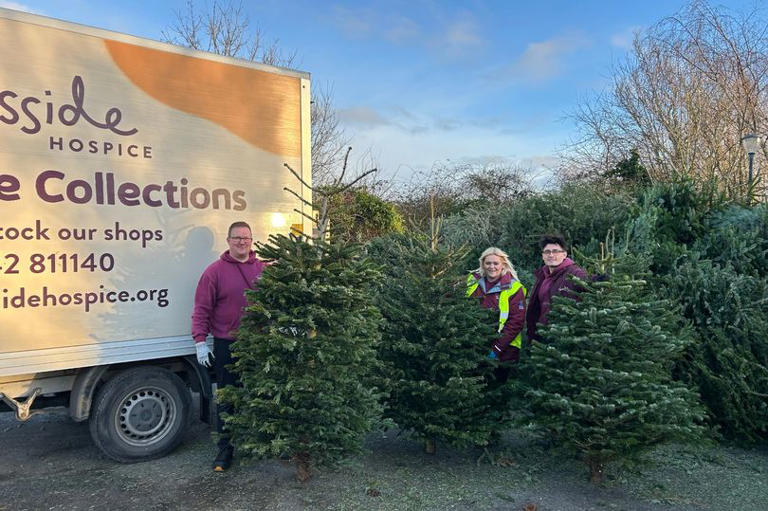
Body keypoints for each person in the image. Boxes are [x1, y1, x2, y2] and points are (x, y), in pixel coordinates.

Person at [191, 221, 266, 472]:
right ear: (228, 241)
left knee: (261, 394)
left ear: (251, 240)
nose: (241, 242)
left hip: (258, 343)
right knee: (227, 397)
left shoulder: (262, 269)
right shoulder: (214, 272)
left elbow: (277, 303)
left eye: (246, 238)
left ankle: (263, 442)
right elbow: (201, 309)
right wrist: (200, 341)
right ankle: (225, 450)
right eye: (237, 238)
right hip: (227, 344)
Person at [466, 247, 526, 381]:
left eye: (496, 263)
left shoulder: (514, 288)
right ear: (482, 264)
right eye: (488, 263)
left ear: (503, 264)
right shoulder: (472, 281)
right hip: (473, 346)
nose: (491, 267)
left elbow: (516, 322)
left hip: (504, 350)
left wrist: (496, 348)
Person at [526, 234, 587, 343]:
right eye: (547, 252)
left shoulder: (574, 272)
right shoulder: (542, 275)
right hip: (542, 334)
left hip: (565, 336)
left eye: (555, 251)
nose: (551, 255)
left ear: (564, 254)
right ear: (543, 256)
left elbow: (589, 283)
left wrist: (600, 280)